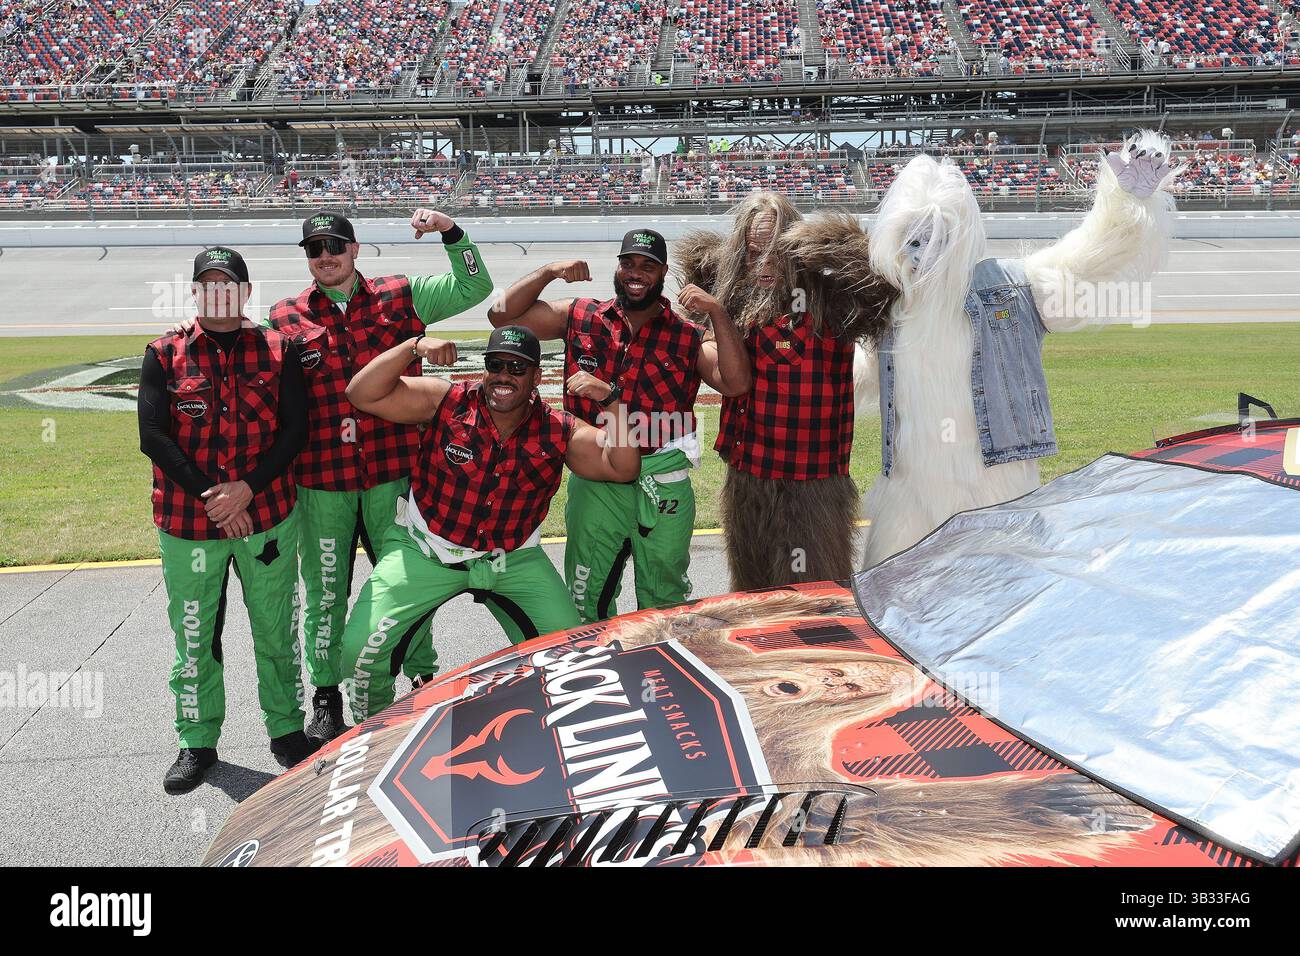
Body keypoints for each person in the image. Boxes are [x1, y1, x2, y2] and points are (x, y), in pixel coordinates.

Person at [266, 208, 493, 741]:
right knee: (325, 592)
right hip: (322, 480)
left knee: (409, 586)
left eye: (335, 246)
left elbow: (475, 286)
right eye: (315, 249)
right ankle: (326, 694)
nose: (326, 256)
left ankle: (422, 677)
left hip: (396, 474)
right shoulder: (284, 316)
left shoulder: (401, 294)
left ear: (355, 248)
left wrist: (450, 231)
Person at [339, 325, 640, 719]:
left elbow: (622, 467)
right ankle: (373, 730)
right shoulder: (447, 401)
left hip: (511, 560)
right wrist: (414, 346)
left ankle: (550, 730)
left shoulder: (557, 428)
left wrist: (611, 401)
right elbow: (361, 393)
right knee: (359, 652)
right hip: (428, 550)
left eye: (517, 368)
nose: (504, 376)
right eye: (495, 364)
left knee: (569, 655)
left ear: (537, 376)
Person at [489, 229, 750, 623]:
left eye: (647, 266)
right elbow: (501, 316)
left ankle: (662, 659)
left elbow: (736, 382)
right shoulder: (581, 315)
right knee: (586, 594)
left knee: (665, 595)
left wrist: (716, 311)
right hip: (598, 473)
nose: (636, 273)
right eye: (628, 263)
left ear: (663, 272)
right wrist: (548, 271)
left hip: (662, 477)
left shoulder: (686, 335)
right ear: (617, 267)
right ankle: (597, 661)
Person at [139, 247, 312, 794]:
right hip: (189, 522)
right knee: (194, 635)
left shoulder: (279, 349)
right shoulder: (163, 353)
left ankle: (287, 731)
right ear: (195, 291)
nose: (218, 293)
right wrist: (214, 498)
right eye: (208, 284)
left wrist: (246, 490)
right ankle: (197, 741)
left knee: (276, 629)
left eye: (229, 283)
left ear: (245, 291)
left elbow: (295, 431)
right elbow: (153, 436)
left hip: (266, 516)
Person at [676, 192, 897, 589]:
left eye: (776, 251)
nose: (763, 263)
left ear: (796, 247)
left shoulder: (827, 297)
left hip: (810, 484)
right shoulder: (734, 294)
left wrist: (825, 239)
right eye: (752, 251)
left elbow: (883, 284)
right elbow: (697, 260)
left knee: (813, 599)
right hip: (746, 476)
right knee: (752, 596)